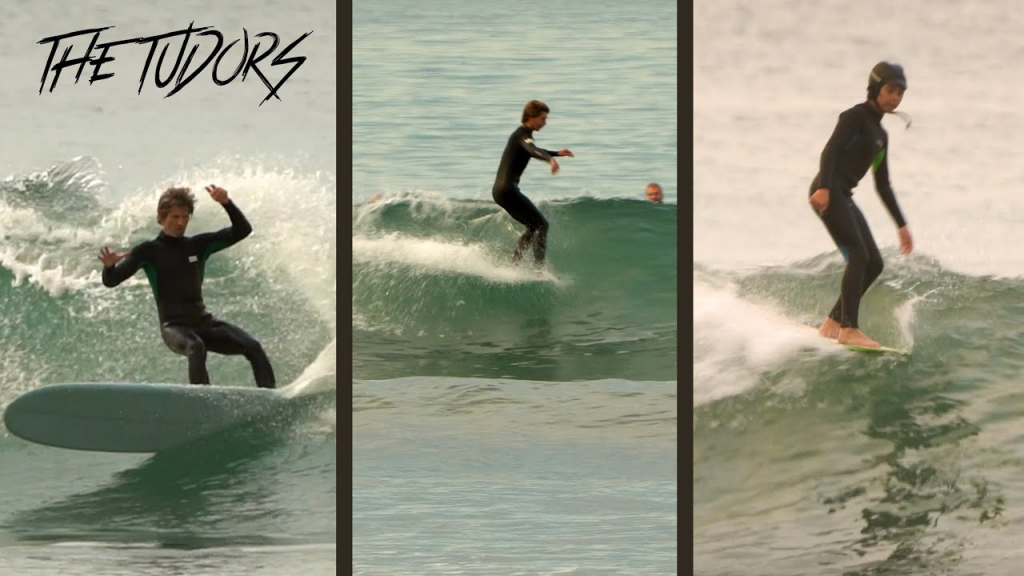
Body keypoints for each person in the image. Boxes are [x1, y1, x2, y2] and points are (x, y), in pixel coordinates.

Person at [98, 185, 276, 388]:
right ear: (161, 217)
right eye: (175, 217)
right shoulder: (148, 251)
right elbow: (112, 281)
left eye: (185, 217)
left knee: (252, 346)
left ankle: (270, 396)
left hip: (204, 322)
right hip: (174, 327)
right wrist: (109, 267)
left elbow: (243, 230)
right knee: (195, 347)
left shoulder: (198, 245)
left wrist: (226, 203)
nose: (181, 222)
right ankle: (202, 399)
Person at [808, 61, 914, 348]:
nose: (895, 98)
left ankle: (832, 324)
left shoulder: (881, 136)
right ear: (876, 88)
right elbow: (830, 151)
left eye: (900, 93)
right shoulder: (853, 117)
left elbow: (883, 184)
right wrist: (825, 188)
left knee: (874, 263)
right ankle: (849, 328)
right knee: (857, 255)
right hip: (828, 191)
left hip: (843, 195)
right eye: (890, 90)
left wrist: (901, 225)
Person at [492, 100, 574, 264]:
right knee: (542, 225)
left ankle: (514, 263)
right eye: (543, 118)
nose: (545, 123)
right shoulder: (523, 135)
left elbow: (532, 149)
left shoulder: (521, 135)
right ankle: (539, 270)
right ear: (531, 117)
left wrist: (556, 153)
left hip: (501, 192)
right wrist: (550, 160)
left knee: (533, 226)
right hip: (508, 191)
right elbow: (532, 150)